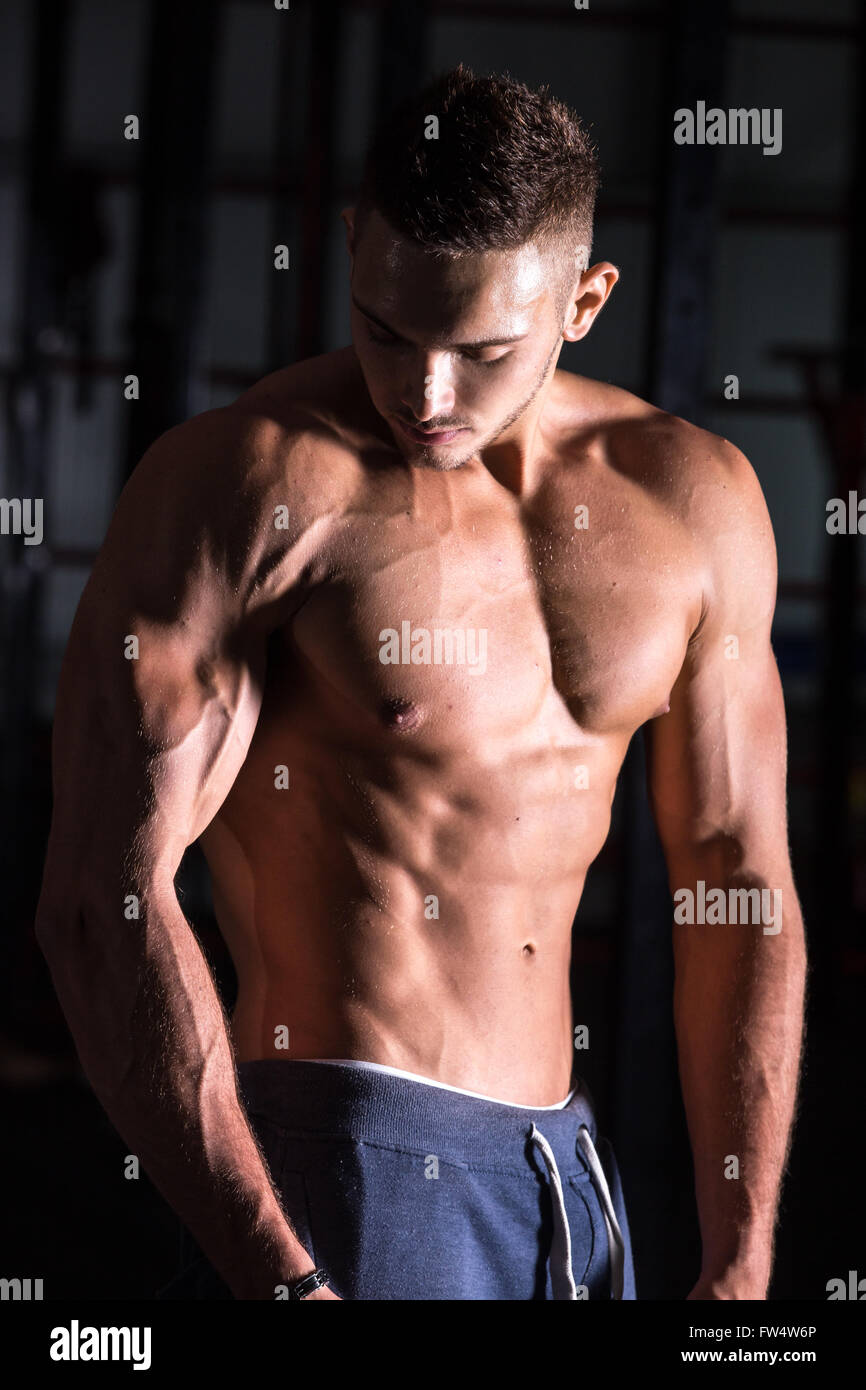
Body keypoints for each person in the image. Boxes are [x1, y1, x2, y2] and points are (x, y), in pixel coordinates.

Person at [35, 65, 806, 1301]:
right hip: (336, 1174)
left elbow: (734, 871)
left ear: (584, 300)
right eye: (385, 328)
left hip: (565, 1177)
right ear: (352, 249)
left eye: (480, 348)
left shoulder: (694, 503)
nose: (423, 395)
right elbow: (101, 899)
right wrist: (274, 1270)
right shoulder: (247, 490)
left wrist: (743, 1256)